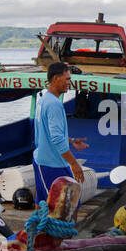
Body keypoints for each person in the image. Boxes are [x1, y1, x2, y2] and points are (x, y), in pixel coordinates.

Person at [32, 61, 90, 199]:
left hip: (43, 160)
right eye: (67, 79)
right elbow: (56, 138)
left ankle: (38, 221)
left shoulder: (44, 99)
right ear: (56, 78)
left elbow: (47, 132)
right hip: (51, 164)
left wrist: (70, 141)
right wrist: (74, 164)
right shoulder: (54, 104)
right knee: (68, 205)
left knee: (42, 203)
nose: (70, 82)